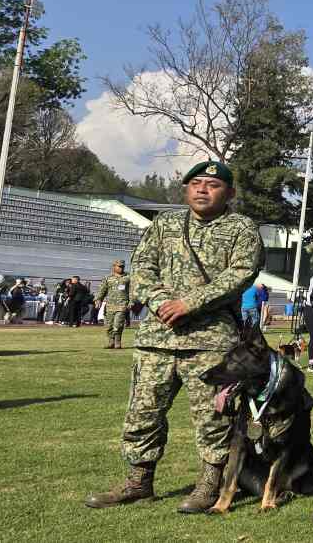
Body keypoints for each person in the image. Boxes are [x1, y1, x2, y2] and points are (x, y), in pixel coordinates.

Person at [84, 160, 262, 513]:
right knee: (142, 412)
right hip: (157, 337)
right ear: (186, 188)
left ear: (230, 193)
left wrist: (189, 303)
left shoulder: (242, 229)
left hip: (210, 340)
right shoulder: (164, 224)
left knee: (214, 417)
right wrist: (162, 300)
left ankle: (209, 483)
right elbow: (143, 267)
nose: (202, 189)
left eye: (212, 184)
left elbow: (241, 273)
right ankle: (139, 481)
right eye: (196, 183)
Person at [94, 260, 132, 349]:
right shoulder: (108, 278)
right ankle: (111, 342)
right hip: (110, 305)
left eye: (122, 266)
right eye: (119, 266)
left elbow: (132, 290)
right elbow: (102, 289)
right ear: (114, 266)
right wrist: (98, 299)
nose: (121, 268)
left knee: (118, 324)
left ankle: (117, 342)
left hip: (122, 305)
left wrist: (131, 301)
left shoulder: (128, 277)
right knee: (109, 325)